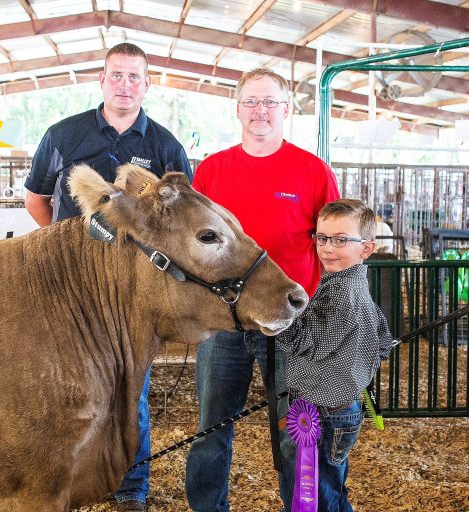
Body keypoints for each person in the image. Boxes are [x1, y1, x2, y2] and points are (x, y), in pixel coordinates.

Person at [24, 42, 191, 512]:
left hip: (130, 290)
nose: (124, 85)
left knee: (128, 385)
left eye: (134, 77)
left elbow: (179, 217)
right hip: (64, 286)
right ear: (101, 79)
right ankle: (56, 478)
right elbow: (36, 197)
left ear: (147, 83)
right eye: (116, 75)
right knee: (53, 381)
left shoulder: (164, 144)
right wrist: (65, 249)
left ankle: (131, 488)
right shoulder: (62, 134)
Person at [185, 67, 340, 512]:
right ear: (237, 109)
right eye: (252, 101)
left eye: (270, 102)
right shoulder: (212, 171)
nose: (261, 111)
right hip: (224, 321)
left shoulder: (312, 171)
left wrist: (332, 311)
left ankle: (303, 507)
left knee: (299, 428)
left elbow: (331, 243)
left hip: (293, 319)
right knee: (211, 426)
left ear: (286, 109)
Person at [276, 199, 393, 512]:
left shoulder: (340, 292)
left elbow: (309, 343)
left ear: (366, 248)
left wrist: (274, 321)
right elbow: (383, 341)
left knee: (322, 493)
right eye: (321, 238)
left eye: (340, 240)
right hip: (342, 407)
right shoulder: (354, 285)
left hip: (325, 413)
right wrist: (351, 367)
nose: (327, 247)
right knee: (331, 486)